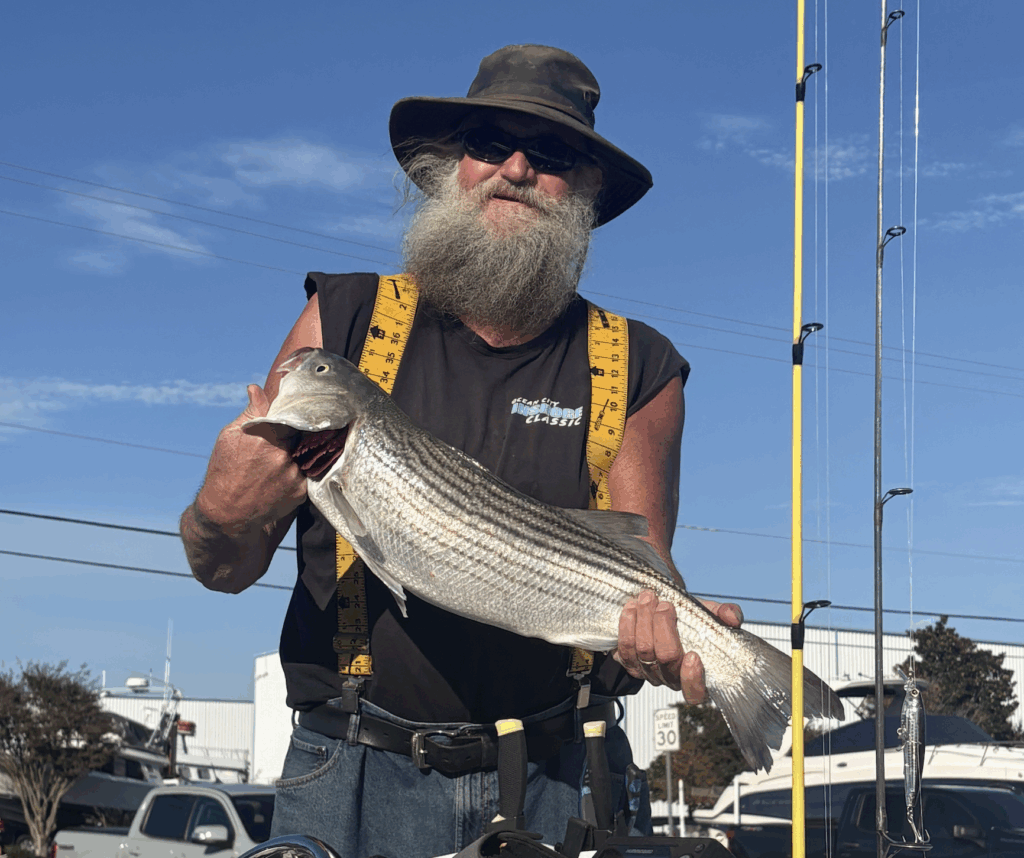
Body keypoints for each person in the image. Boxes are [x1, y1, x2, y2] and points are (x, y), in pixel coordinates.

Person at [180, 44, 742, 858]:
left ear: (585, 189)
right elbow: (224, 569)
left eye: (549, 155)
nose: (514, 168)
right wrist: (214, 516)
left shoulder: (640, 363)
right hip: (351, 765)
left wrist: (668, 637)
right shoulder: (341, 322)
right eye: (488, 143)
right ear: (452, 166)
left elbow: (644, 578)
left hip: (561, 773)